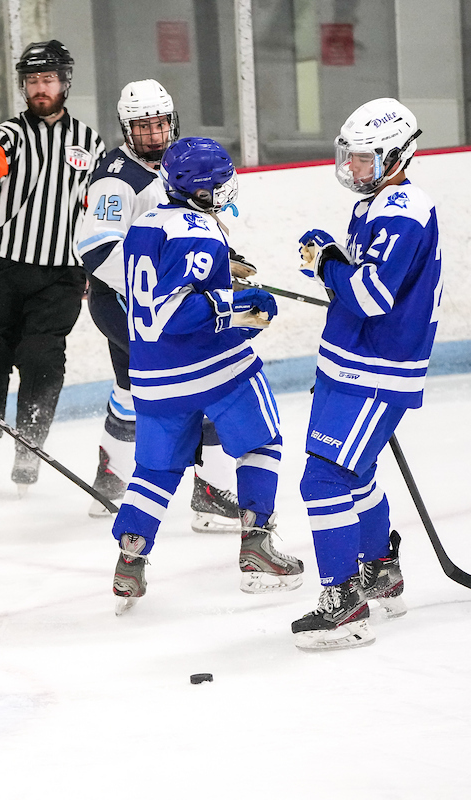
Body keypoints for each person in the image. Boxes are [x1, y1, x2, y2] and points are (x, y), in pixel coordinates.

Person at [109, 136, 305, 615]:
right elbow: (173, 312)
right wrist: (237, 302)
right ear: (197, 190)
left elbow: (157, 287)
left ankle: (130, 561)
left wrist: (222, 270)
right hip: (211, 367)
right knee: (264, 442)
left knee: (156, 470)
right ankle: (257, 548)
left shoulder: (145, 223)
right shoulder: (200, 230)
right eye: (219, 182)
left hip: (152, 375)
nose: (226, 188)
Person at [290, 98, 439, 651]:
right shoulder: (376, 204)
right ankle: (379, 571)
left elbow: (371, 295)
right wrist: (332, 263)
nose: (351, 168)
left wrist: (326, 260)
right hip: (353, 363)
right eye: (348, 157)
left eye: (362, 159)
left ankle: (344, 606)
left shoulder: (402, 208)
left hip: (375, 369)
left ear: (396, 155)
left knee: (323, 480)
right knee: (357, 474)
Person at [76, 79, 245, 531]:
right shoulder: (117, 178)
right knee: (204, 376)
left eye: (160, 125)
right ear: (126, 129)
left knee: (133, 389)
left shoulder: (174, 163)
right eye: (143, 128)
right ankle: (209, 493)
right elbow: (95, 251)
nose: (154, 136)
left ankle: (109, 476)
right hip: (126, 303)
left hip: (146, 302)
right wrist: (166, 290)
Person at [0, 40, 104, 494]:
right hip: (3, 269)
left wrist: (95, 264)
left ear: (64, 82)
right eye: (32, 81)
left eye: (47, 79)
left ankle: (29, 445)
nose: (39, 88)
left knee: (41, 358)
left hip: (60, 275)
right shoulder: (11, 133)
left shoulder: (91, 142)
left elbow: (97, 209)